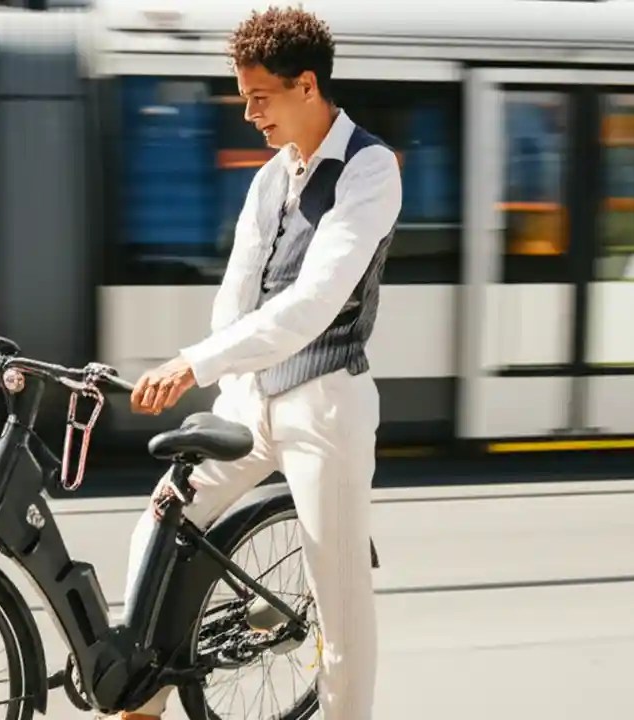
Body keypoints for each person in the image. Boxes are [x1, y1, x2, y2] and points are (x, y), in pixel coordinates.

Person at [120, 5, 402, 720]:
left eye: (259, 97)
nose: (249, 114)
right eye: (244, 98)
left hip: (325, 403)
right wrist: (225, 378)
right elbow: (237, 294)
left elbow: (313, 303)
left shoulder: (370, 169)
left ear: (306, 85)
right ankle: (141, 697)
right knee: (159, 521)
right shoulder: (269, 178)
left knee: (338, 602)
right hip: (251, 397)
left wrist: (193, 363)